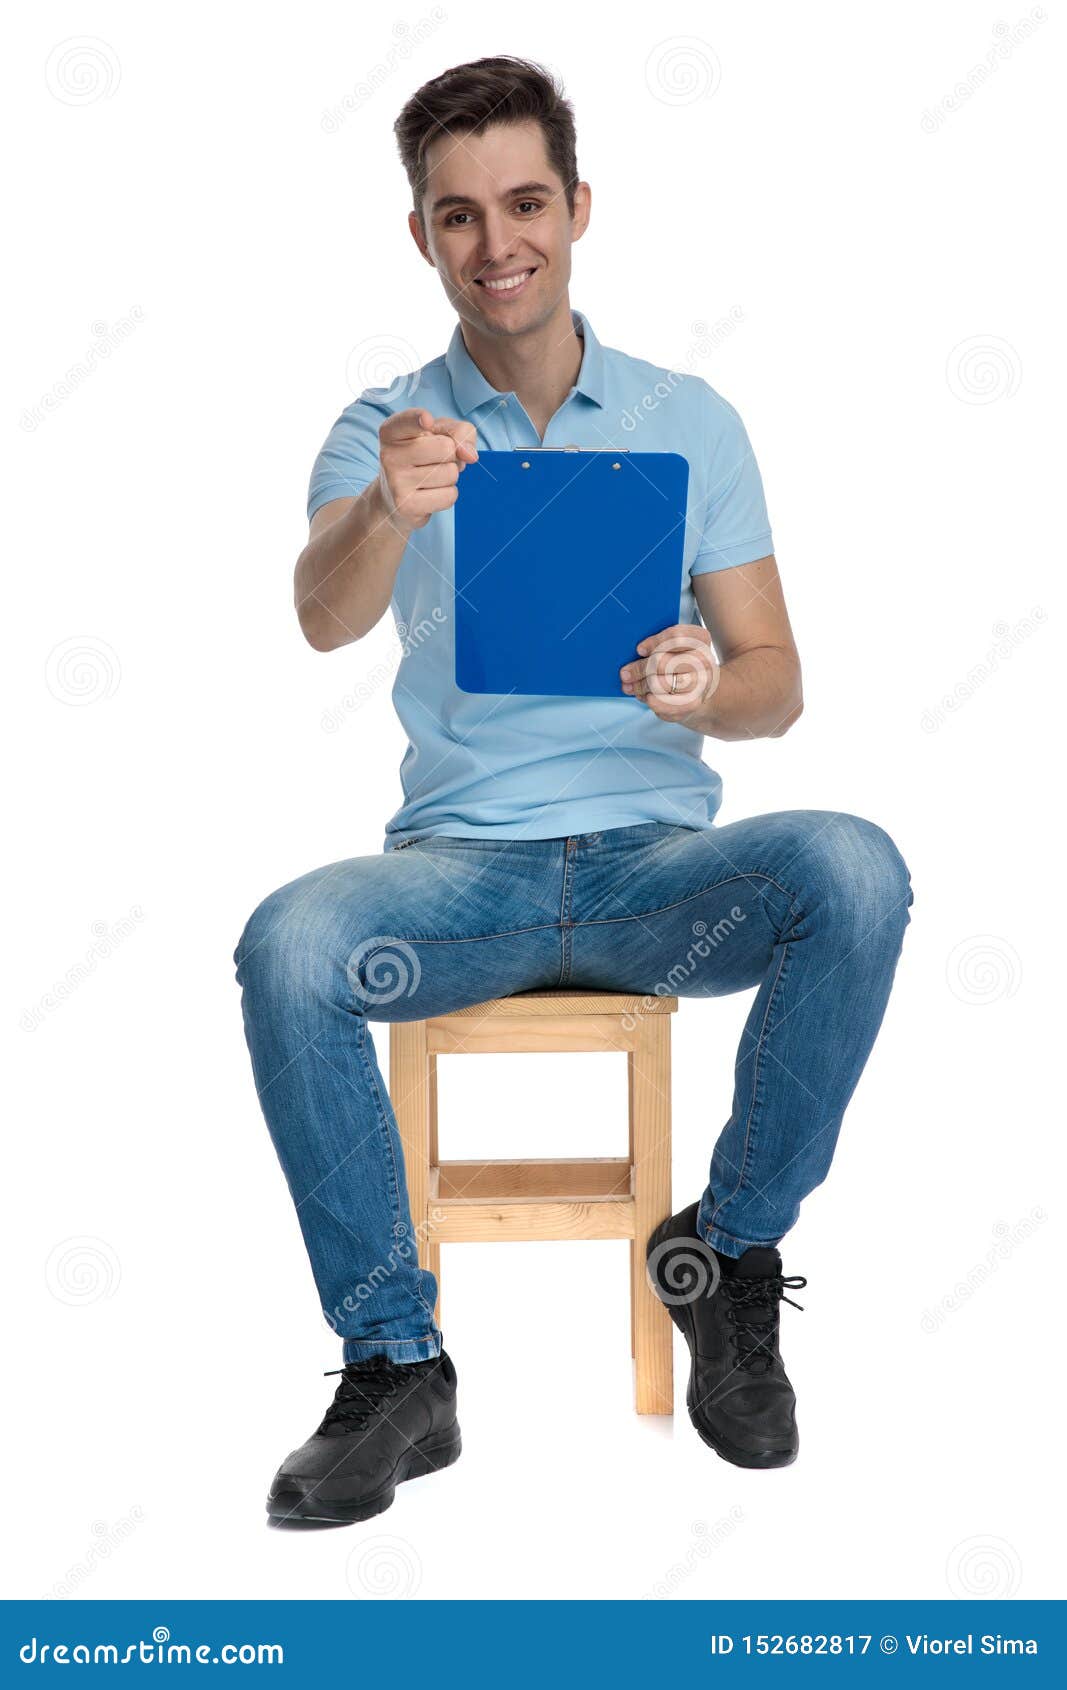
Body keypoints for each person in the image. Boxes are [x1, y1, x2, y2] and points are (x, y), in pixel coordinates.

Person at [234, 55, 914, 1524]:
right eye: (460, 215)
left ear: (579, 207)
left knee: (857, 864)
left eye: (526, 202)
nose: (500, 244)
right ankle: (397, 1361)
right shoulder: (386, 430)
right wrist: (379, 508)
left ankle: (724, 1259)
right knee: (287, 941)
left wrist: (702, 682)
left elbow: (776, 681)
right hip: (457, 882)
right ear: (423, 236)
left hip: (657, 877)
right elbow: (321, 617)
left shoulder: (689, 416)